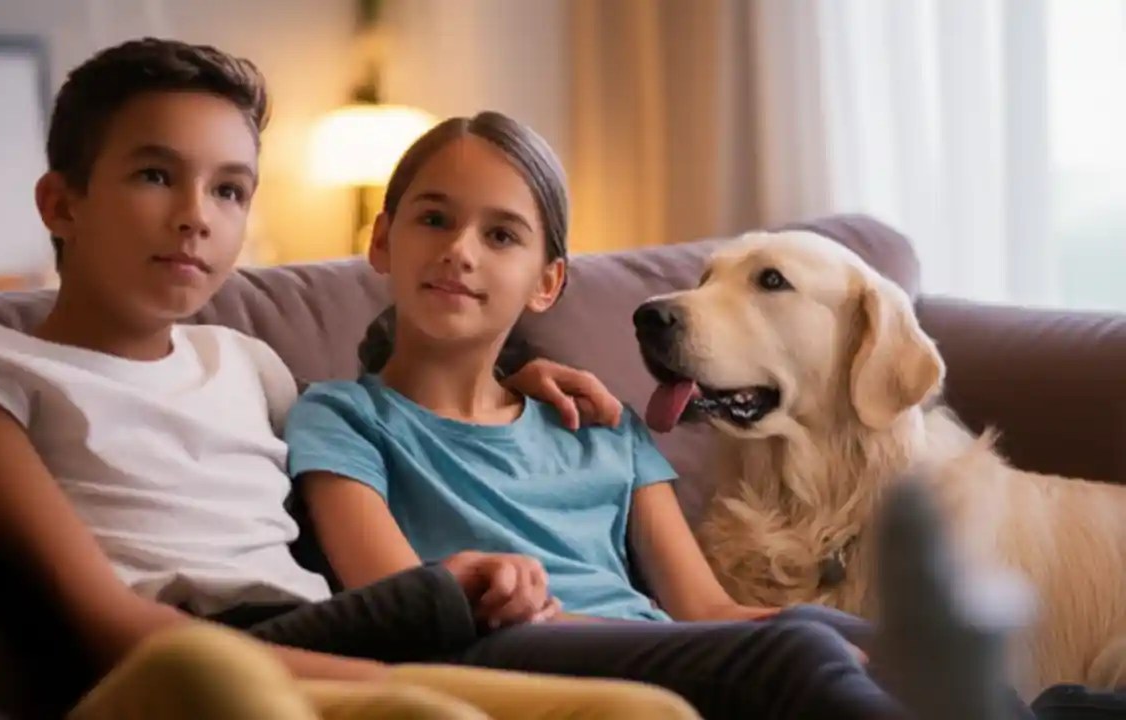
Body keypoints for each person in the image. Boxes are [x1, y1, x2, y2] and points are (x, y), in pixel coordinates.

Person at [0, 38, 697, 720]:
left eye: (230, 189)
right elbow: (111, 626)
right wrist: (406, 680)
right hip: (162, 670)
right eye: (156, 175)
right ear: (61, 204)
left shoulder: (248, 366)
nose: (198, 213)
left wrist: (517, 374)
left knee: (641, 712)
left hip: (319, 643)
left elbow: (398, 397)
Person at [283, 110, 1039, 720]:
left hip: (654, 651)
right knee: (798, 653)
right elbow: (396, 607)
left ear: (546, 283)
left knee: (877, 643)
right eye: (434, 220)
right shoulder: (343, 419)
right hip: (496, 653)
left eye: (501, 234)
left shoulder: (604, 427)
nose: (460, 251)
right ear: (382, 241)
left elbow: (702, 605)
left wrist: (837, 640)